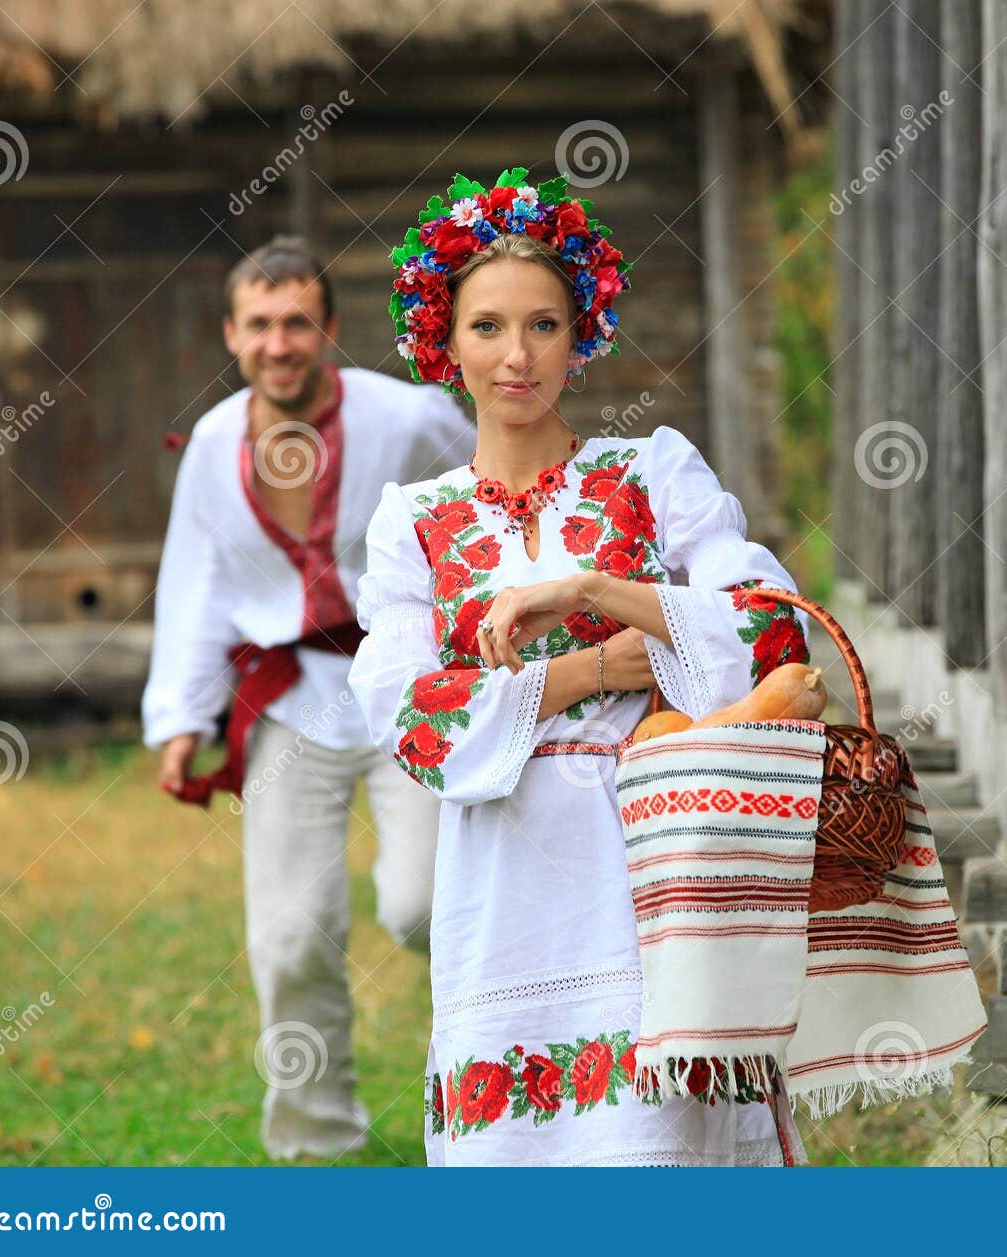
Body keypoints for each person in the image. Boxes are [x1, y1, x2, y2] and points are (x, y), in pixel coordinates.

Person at [348, 168, 815, 1166]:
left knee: (659, 1145)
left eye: (543, 326)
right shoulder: (413, 521)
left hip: (657, 847)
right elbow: (413, 715)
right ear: (443, 340)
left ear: (582, 333)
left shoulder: (651, 472)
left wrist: (589, 593)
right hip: (505, 867)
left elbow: (771, 635)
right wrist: (602, 668)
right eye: (486, 328)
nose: (515, 356)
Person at [141, 236, 473, 1160]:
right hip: (292, 700)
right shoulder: (212, 442)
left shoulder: (408, 419)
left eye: (296, 321)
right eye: (259, 324)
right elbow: (197, 577)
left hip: (410, 684)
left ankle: (495, 1098)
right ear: (232, 335)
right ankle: (318, 1138)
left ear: (328, 329)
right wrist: (181, 716)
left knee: (424, 905)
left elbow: (484, 492)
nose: (278, 342)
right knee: (288, 935)